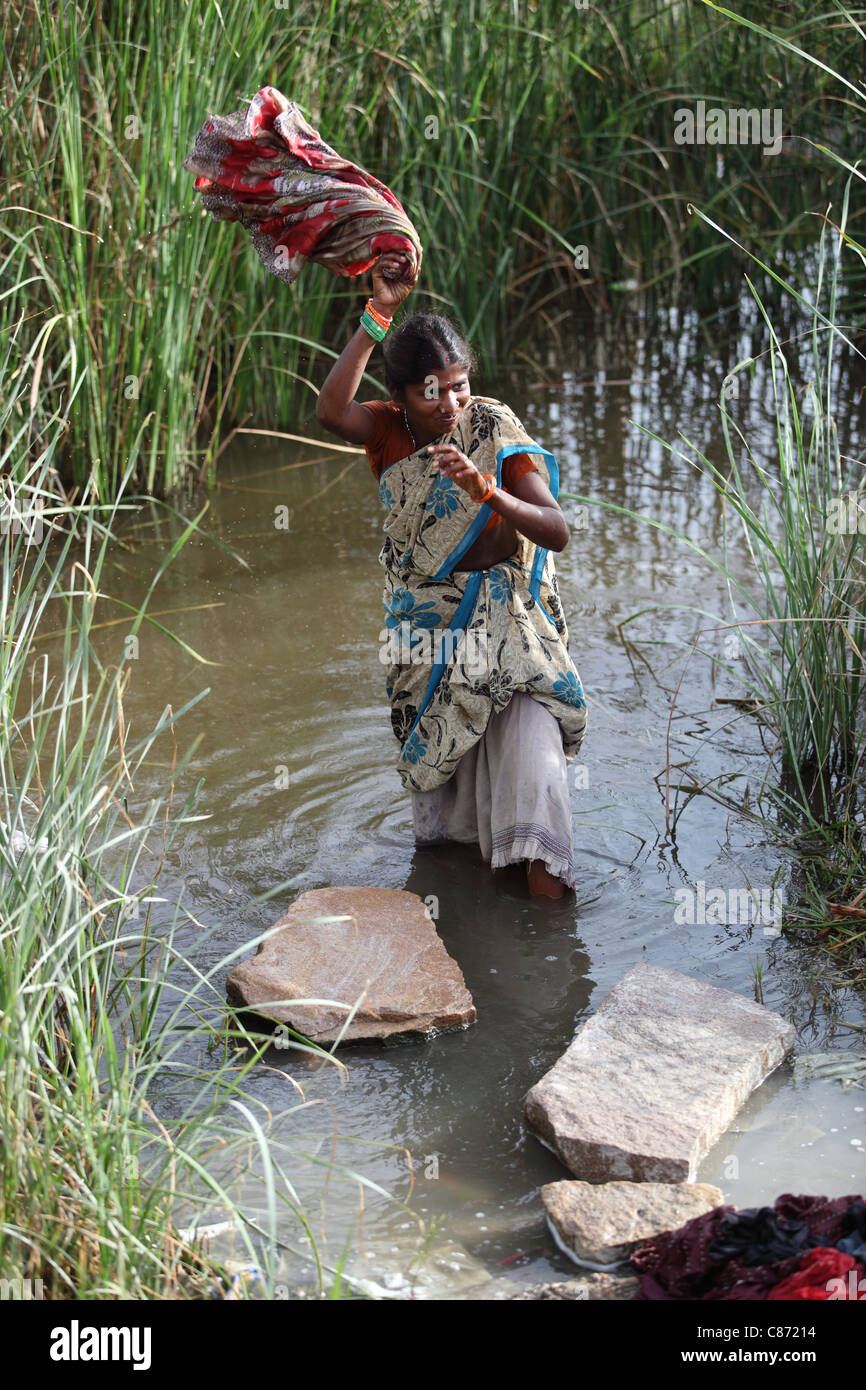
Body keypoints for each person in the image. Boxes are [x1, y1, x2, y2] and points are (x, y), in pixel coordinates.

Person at [316, 252, 587, 897]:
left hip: (512, 636)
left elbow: (556, 531)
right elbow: (331, 410)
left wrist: (489, 493)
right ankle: (467, 941)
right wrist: (378, 313)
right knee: (455, 835)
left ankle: (547, 946)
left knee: (536, 786)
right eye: (430, 391)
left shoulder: (491, 428)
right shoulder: (388, 434)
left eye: (459, 385)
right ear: (402, 397)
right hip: (431, 642)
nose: (450, 403)